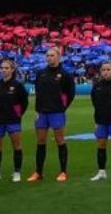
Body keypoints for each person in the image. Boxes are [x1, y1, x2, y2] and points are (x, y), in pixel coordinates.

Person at [29, 47, 76, 182]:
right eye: (48, 55)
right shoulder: (41, 73)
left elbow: (70, 94)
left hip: (57, 112)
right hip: (42, 113)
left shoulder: (65, 74)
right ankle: (38, 172)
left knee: (60, 140)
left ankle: (63, 172)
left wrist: (62, 107)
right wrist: (37, 111)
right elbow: (38, 93)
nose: (49, 57)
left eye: (52, 55)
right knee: (40, 142)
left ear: (58, 57)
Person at [0, 58, 28, 183]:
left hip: (13, 121)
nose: (4, 70)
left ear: (12, 70)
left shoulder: (18, 86)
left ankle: (17, 172)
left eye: (7, 68)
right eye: (2, 68)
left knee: (17, 146)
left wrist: (17, 115)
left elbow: (24, 103)